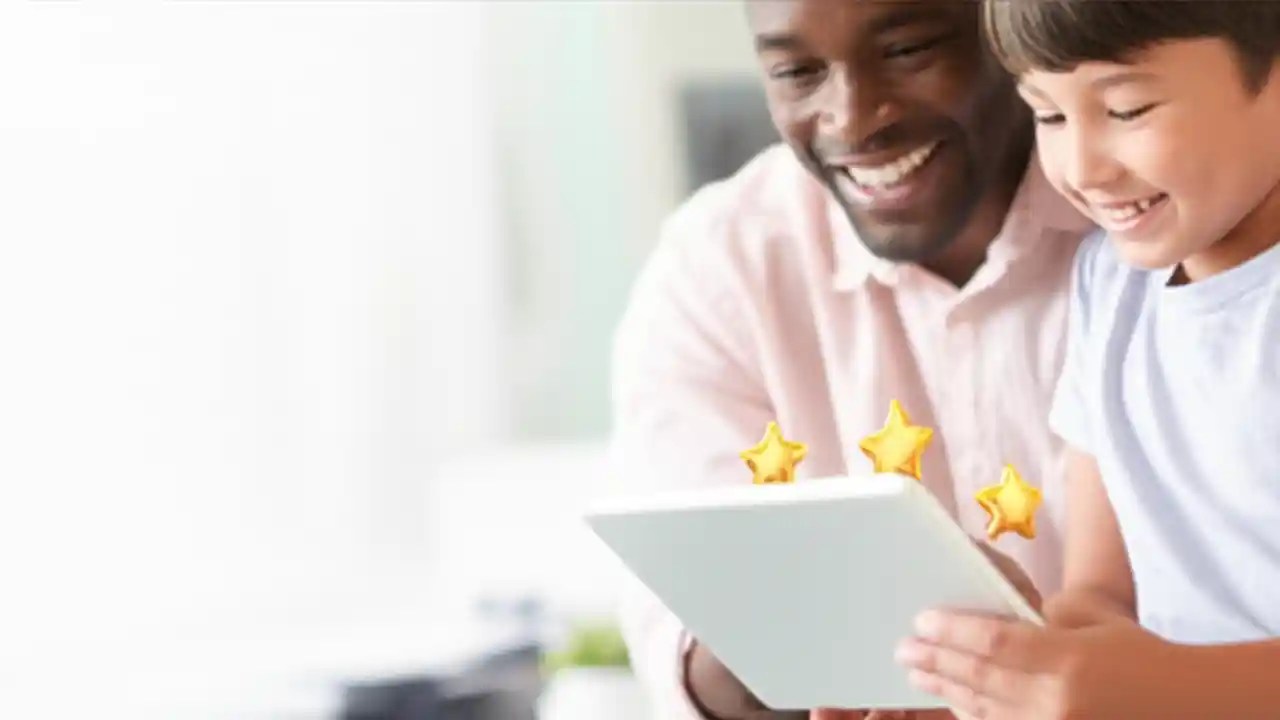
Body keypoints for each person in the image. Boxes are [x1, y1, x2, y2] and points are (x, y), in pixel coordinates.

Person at [609, 1, 1091, 718]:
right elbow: (683, 640)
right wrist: (808, 651)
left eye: (909, 50)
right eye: (797, 72)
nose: (854, 118)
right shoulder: (721, 266)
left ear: (1008, 27)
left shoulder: (1161, 226)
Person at [895, 2, 1280, 718]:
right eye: (1047, 115)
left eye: (1128, 110)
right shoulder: (1111, 285)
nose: (1081, 169)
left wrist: (1170, 689)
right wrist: (988, 669)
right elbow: (1101, 598)